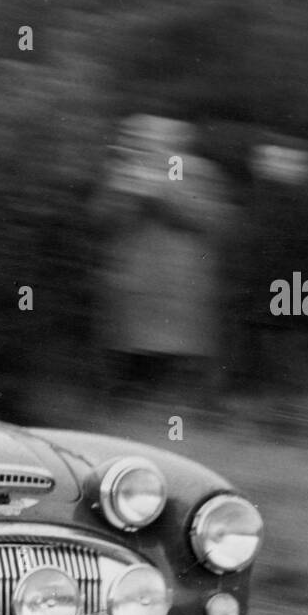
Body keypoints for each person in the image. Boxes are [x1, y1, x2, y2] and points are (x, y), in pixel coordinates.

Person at [89, 114, 235, 410]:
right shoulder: (122, 171)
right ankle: (125, 409)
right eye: (136, 138)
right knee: (128, 356)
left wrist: (160, 192)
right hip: (133, 282)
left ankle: (186, 413)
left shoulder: (192, 170)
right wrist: (122, 194)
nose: (141, 144)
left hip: (177, 285)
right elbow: (99, 217)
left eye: (148, 138)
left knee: (177, 359)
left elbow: (211, 217)